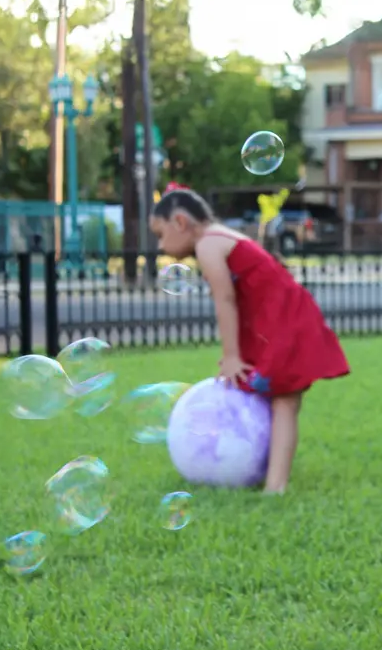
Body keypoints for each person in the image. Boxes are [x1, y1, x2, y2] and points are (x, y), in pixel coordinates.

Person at [150, 188, 350, 494]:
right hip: (281, 317)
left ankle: (275, 486)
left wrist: (231, 355)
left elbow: (225, 300)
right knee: (281, 400)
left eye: (160, 234)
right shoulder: (220, 236)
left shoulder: (207, 244)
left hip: (282, 319)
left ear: (180, 222)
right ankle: (272, 481)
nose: (160, 245)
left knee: (284, 400)